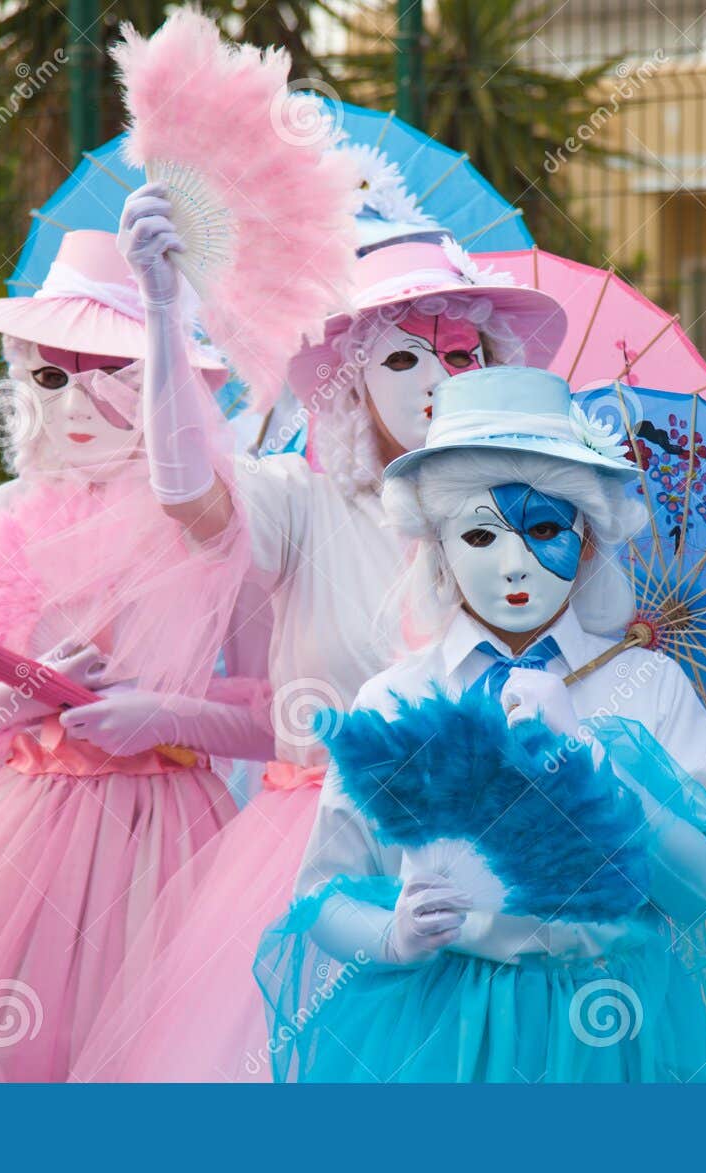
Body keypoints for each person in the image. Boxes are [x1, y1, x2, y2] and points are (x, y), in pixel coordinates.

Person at [68, 191, 567, 1081]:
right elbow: (188, 493)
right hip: (321, 853)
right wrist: (161, 311)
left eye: (461, 354)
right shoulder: (300, 503)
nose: (436, 378)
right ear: (351, 382)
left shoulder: (536, 529)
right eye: (403, 356)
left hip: (486, 861)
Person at [259, 365, 706, 1082]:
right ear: (437, 543)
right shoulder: (395, 697)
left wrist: (596, 761)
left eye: (544, 528)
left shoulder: (649, 686)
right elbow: (322, 896)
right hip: (441, 1039)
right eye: (480, 534)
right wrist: (392, 933)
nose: (513, 564)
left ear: (587, 538)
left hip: (613, 1036)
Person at [0, 229, 270, 1081]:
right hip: (25, 832)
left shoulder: (217, 523)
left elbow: (276, 721)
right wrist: (27, 697)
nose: (77, 403)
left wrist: (166, 715)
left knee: (165, 1060)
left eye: (113, 374)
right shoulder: (2, 512)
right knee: (7, 1056)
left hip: (174, 837)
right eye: (51, 376)